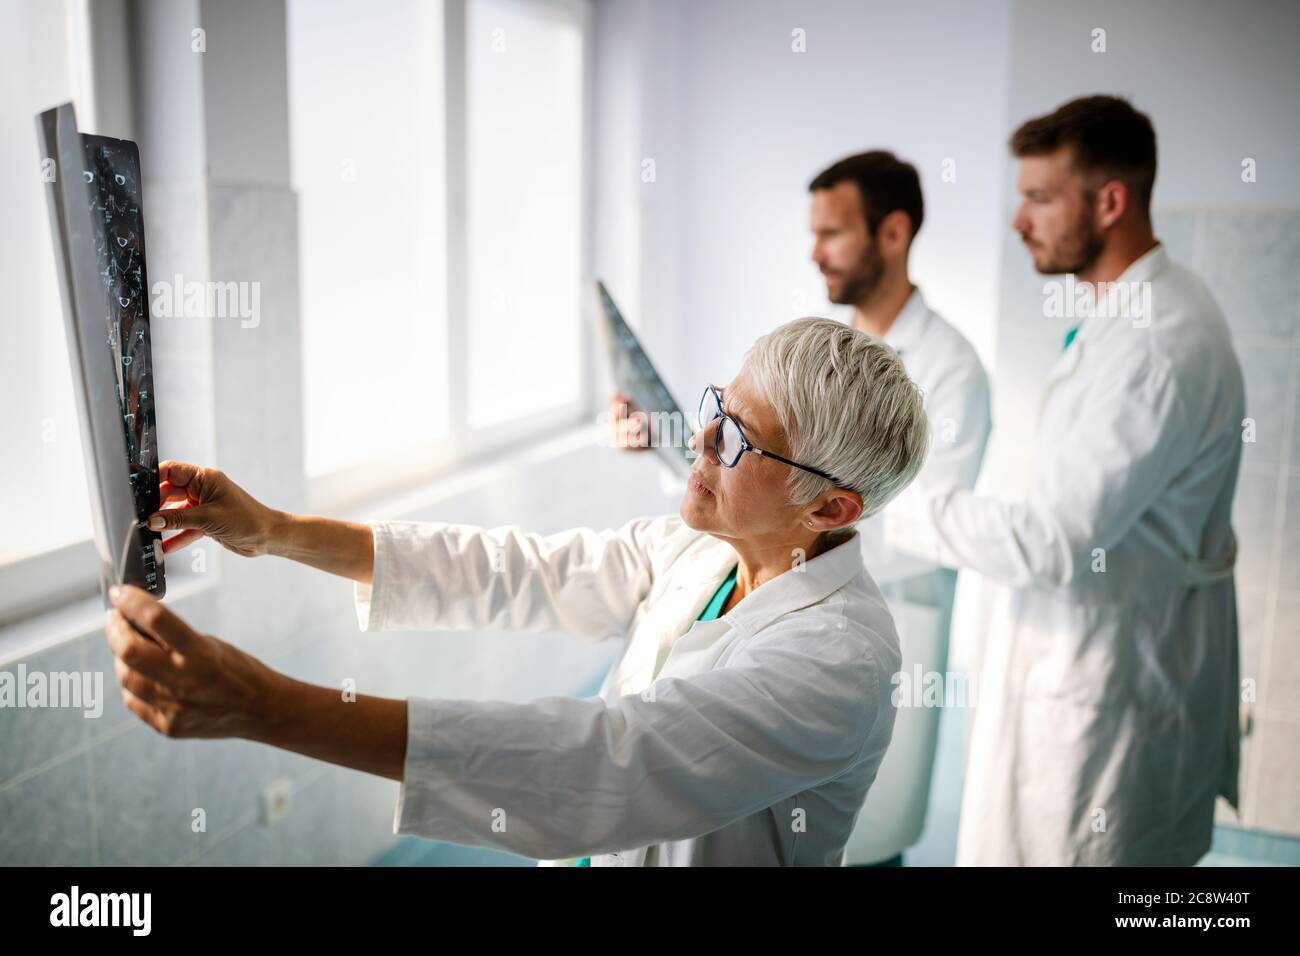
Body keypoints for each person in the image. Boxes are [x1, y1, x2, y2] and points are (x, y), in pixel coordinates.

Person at [105, 317, 930, 866]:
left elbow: (608, 765)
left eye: (741, 437)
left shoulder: (836, 663)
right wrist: (273, 529)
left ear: (828, 507)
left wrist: (263, 705)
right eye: (721, 406)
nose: (703, 436)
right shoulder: (705, 548)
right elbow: (517, 569)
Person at [884, 95, 1245, 865]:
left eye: (1041, 198)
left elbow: (1052, 542)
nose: (1020, 221)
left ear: (1110, 201)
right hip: (1092, 668)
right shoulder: (1135, 314)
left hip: (1107, 700)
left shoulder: (1155, 344)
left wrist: (887, 503)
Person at [611, 150, 991, 865]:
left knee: (863, 838)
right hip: (780, 609)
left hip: (880, 620)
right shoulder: (819, 357)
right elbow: (763, 481)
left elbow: (922, 519)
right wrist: (674, 446)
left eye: (833, 233)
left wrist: (814, 489)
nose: (815, 252)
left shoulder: (950, 367)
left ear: (893, 232)